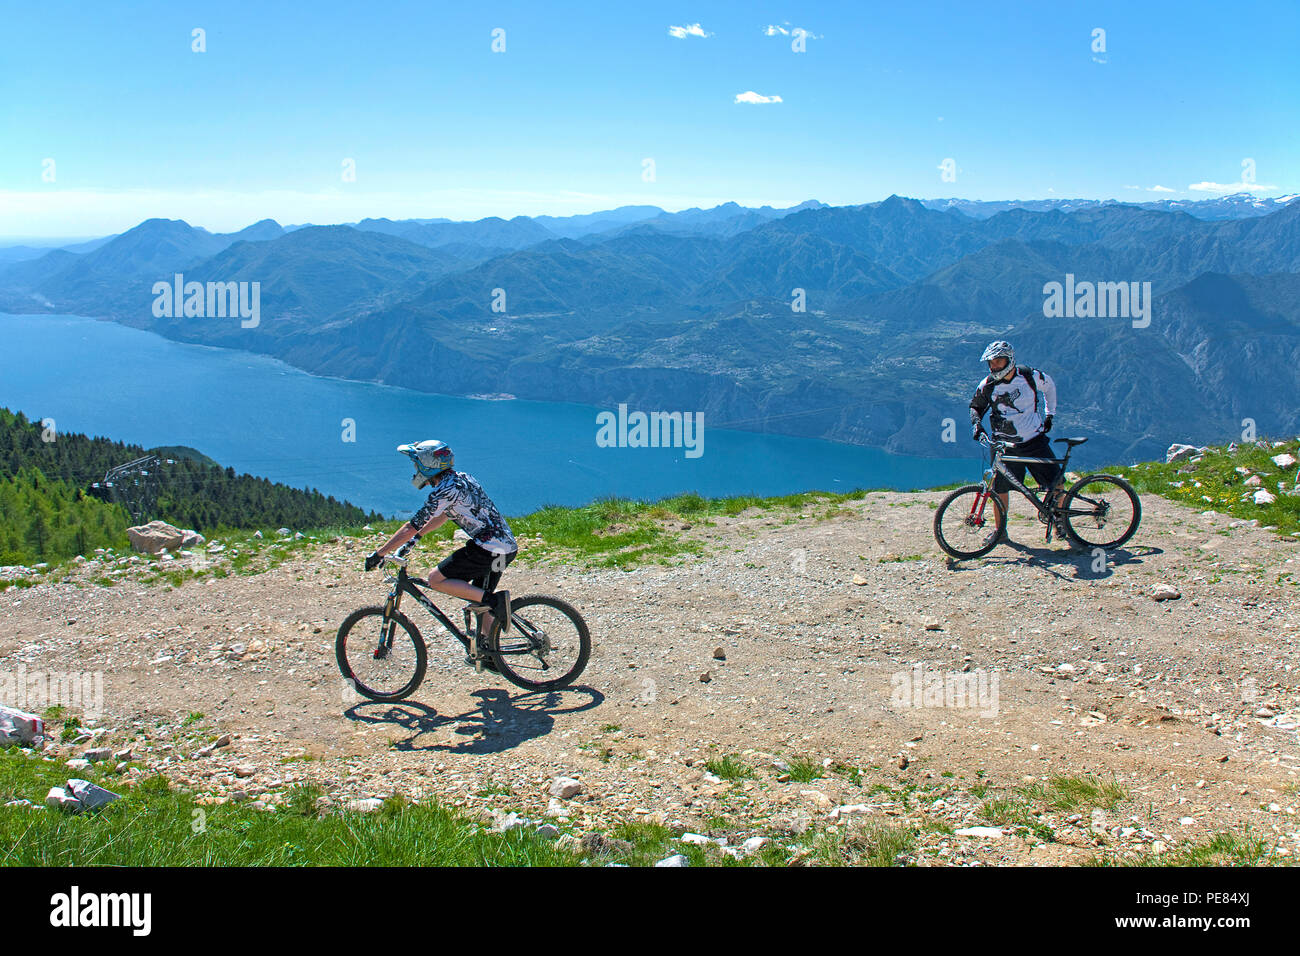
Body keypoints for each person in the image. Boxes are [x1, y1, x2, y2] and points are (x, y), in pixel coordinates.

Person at [365, 440, 518, 658]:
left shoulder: (443, 492)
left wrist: (379, 554)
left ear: (428, 466)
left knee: (436, 579)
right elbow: (444, 515)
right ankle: (493, 654)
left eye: (417, 464)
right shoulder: (463, 479)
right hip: (505, 549)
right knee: (478, 599)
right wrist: (416, 539)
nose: (416, 469)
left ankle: (496, 603)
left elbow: (410, 526)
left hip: (489, 550)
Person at [968, 341, 1066, 537]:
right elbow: (976, 407)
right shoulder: (987, 385)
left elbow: (1050, 386)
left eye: (999, 361)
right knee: (999, 490)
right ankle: (1000, 531)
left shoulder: (1030, 376)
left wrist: (1050, 414)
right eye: (991, 363)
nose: (994, 366)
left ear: (1010, 360)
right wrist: (977, 425)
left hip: (1033, 441)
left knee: (1057, 483)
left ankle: (1060, 523)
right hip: (1003, 446)